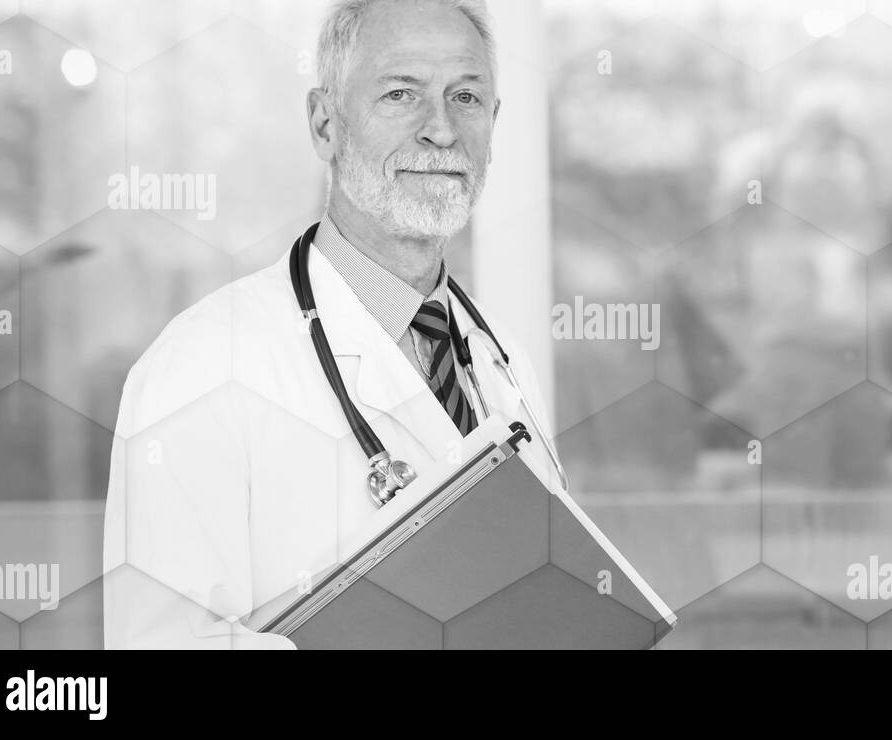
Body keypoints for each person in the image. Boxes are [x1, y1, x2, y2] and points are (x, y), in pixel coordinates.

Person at [102, 0, 559, 649]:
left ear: (494, 122)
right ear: (325, 123)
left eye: (466, 97)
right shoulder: (202, 365)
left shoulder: (502, 360)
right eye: (401, 94)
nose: (442, 130)